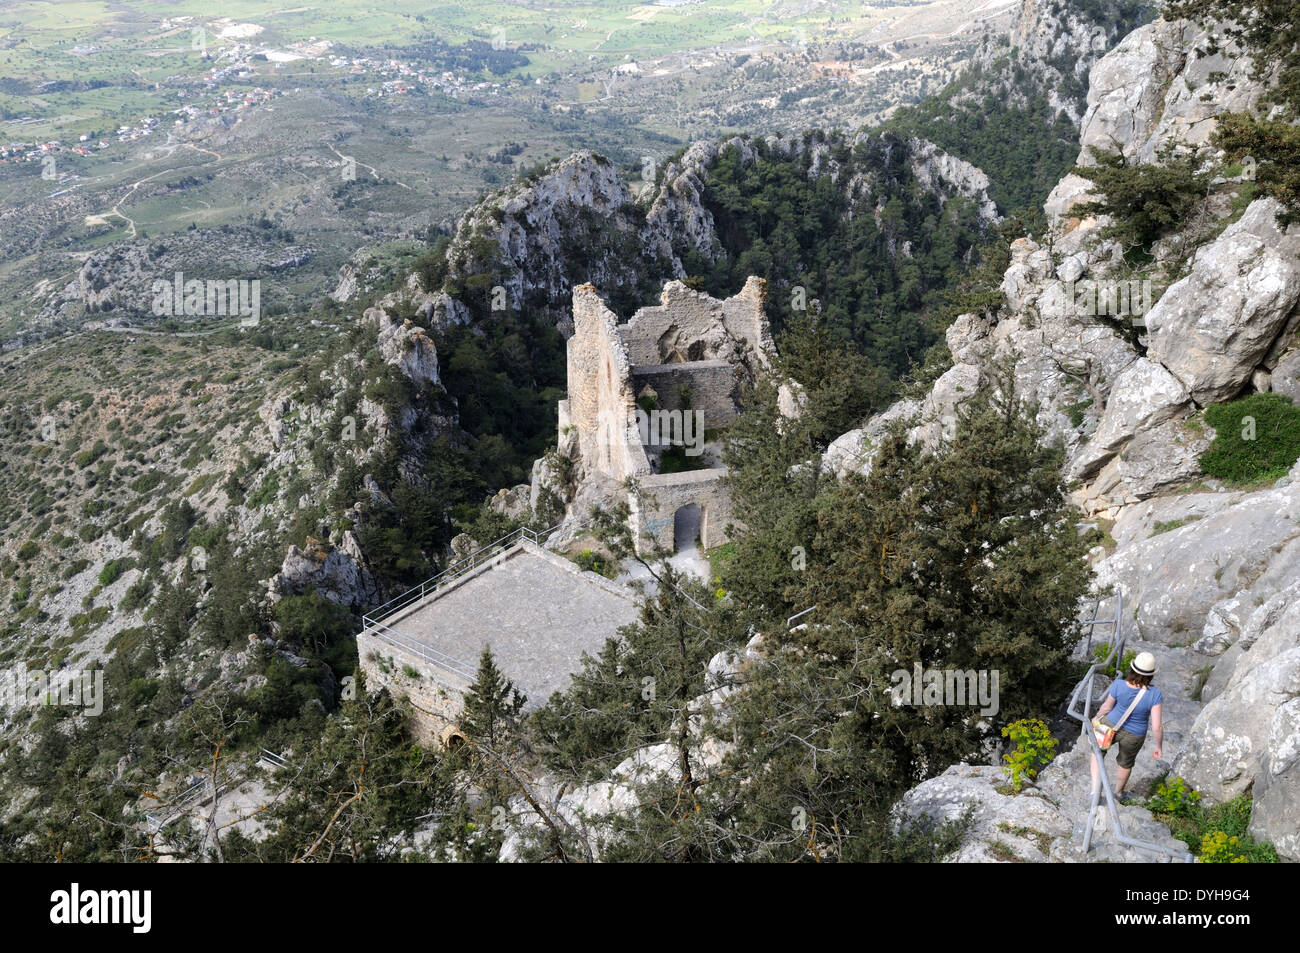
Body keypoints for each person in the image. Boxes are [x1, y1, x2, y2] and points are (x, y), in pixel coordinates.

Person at [1089, 651, 1163, 804]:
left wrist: (1095, 718)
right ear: (1151, 674)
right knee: (1126, 763)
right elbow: (1156, 726)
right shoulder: (1155, 694)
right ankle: (1118, 793)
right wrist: (1159, 746)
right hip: (1135, 734)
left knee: (1097, 753)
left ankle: (1095, 791)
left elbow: (1106, 707)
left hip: (1110, 724)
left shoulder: (1118, 684)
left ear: (1133, 669)